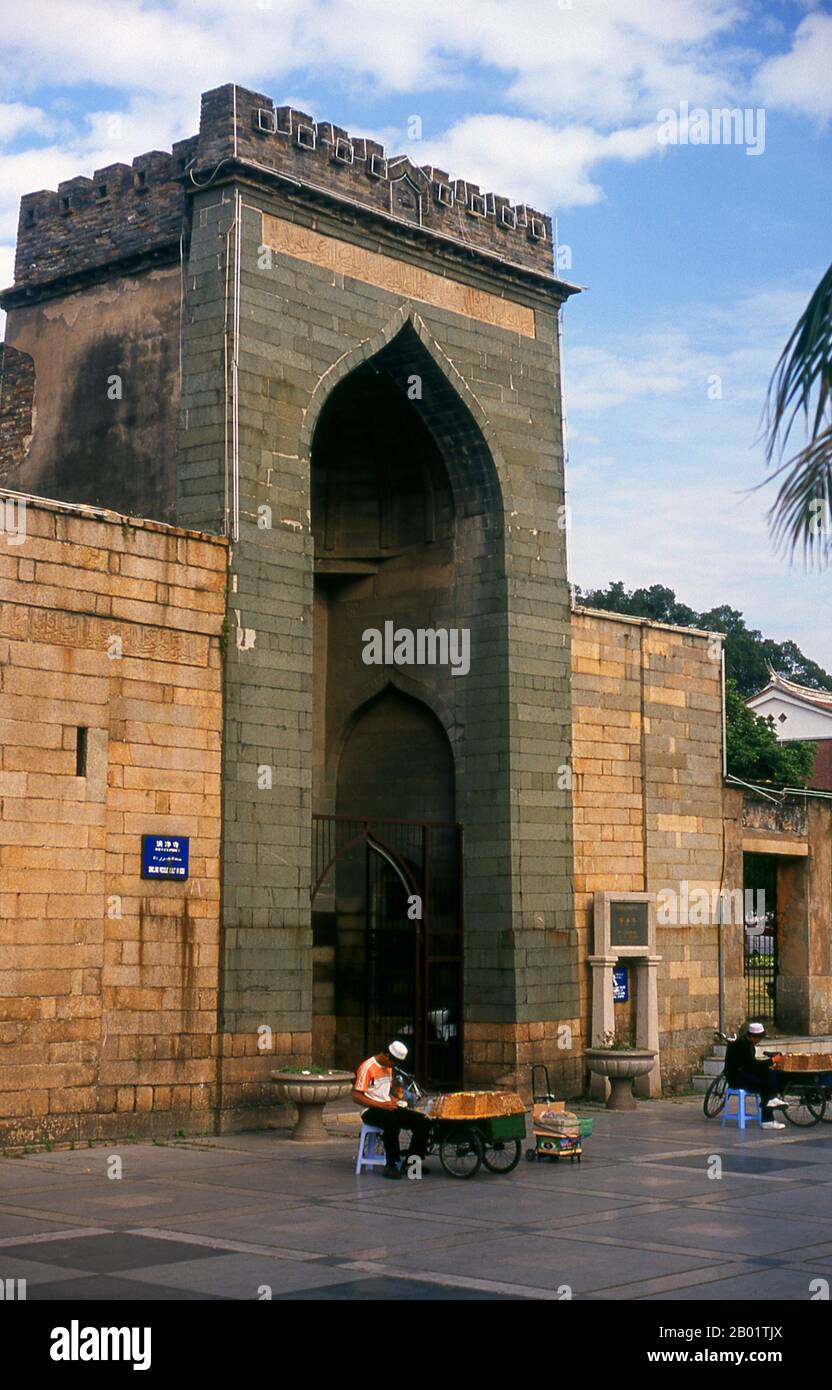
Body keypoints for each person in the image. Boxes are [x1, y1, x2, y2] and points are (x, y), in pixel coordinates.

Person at [353, 1041, 431, 1179]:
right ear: (386, 1055)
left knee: (423, 1121)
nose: (393, 1066)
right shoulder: (367, 1067)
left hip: (387, 1106)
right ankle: (392, 1164)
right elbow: (357, 1097)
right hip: (370, 1110)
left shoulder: (388, 1067)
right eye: (392, 1062)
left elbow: (383, 1092)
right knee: (391, 1122)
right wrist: (382, 1105)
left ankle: (412, 1163)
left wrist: (393, 1099)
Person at [724, 1022, 787, 1129]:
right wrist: (771, 1061)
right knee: (765, 1085)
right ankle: (768, 1117)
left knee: (768, 1076)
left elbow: (750, 1065)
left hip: (742, 1074)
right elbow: (751, 1065)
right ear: (752, 1037)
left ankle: (770, 1108)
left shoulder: (747, 1044)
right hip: (736, 1079)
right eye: (758, 1039)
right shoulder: (743, 1045)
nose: (759, 1042)